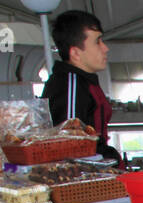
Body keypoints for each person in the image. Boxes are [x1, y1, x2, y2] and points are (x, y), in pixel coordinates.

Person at [42, 11, 120, 161]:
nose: (105, 48)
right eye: (97, 42)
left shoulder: (84, 82)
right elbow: (71, 148)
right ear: (76, 53)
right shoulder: (70, 85)